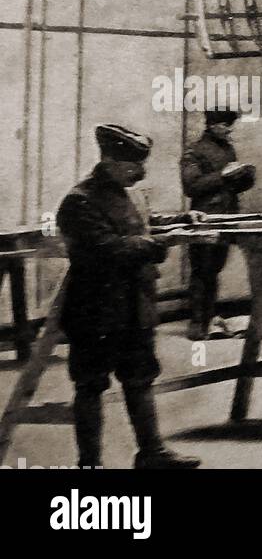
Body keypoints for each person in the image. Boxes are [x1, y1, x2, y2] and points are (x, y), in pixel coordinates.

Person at [56, 124, 204, 469]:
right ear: (109, 160)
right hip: (96, 312)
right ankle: (89, 463)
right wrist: (157, 244)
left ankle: (151, 453)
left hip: (135, 307)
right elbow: (109, 248)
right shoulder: (79, 201)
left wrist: (183, 218)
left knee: (139, 378)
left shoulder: (132, 193)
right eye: (132, 166)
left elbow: (145, 222)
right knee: (91, 385)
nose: (141, 172)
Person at [180, 109, 255, 341]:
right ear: (212, 125)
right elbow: (191, 186)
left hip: (226, 217)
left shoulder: (227, 149)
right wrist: (223, 175)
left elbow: (230, 186)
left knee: (214, 270)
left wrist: (244, 178)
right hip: (204, 218)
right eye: (225, 125)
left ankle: (209, 318)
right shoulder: (193, 151)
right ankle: (196, 322)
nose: (229, 129)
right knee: (201, 270)